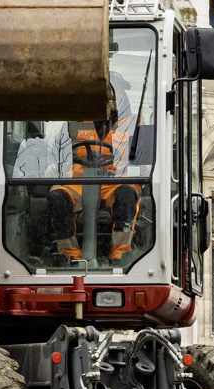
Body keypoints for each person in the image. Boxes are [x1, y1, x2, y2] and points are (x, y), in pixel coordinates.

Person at [47, 72, 145, 266]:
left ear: (123, 94)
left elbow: (145, 157)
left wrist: (143, 169)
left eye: (116, 91)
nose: (112, 96)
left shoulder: (136, 123)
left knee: (127, 194)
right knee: (57, 196)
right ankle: (69, 254)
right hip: (79, 181)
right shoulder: (74, 120)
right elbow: (58, 151)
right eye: (107, 91)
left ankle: (120, 254)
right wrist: (53, 165)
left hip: (117, 180)